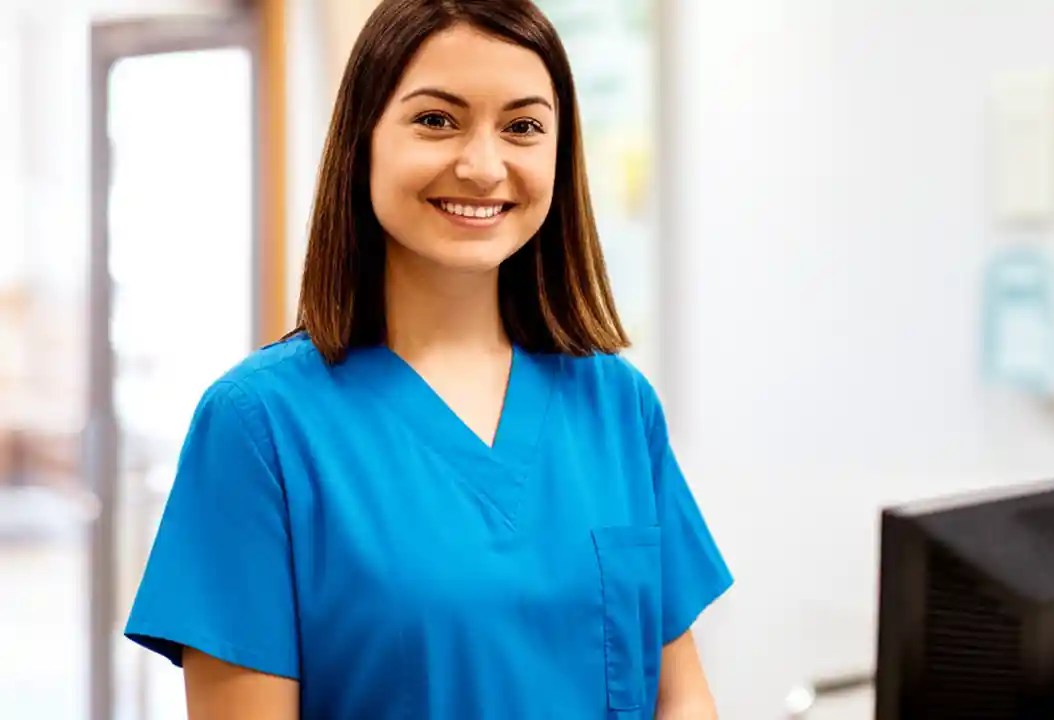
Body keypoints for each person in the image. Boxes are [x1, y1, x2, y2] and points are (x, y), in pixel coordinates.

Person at [122, 0, 734, 718]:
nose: (482, 166)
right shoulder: (260, 427)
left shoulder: (619, 406)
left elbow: (682, 695)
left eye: (524, 127)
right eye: (436, 120)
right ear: (363, 141)